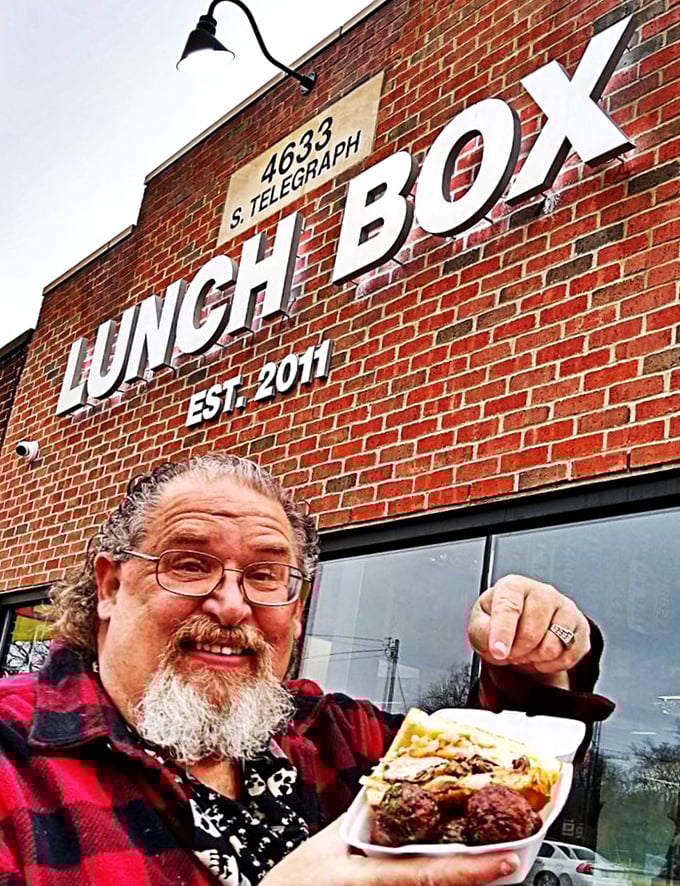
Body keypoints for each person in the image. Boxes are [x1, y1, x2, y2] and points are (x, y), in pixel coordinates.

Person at [0, 454, 614, 886]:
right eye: (189, 564)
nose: (234, 604)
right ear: (110, 586)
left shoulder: (327, 734)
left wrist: (538, 658)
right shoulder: (14, 766)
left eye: (266, 575)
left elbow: (514, 761)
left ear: (295, 609)